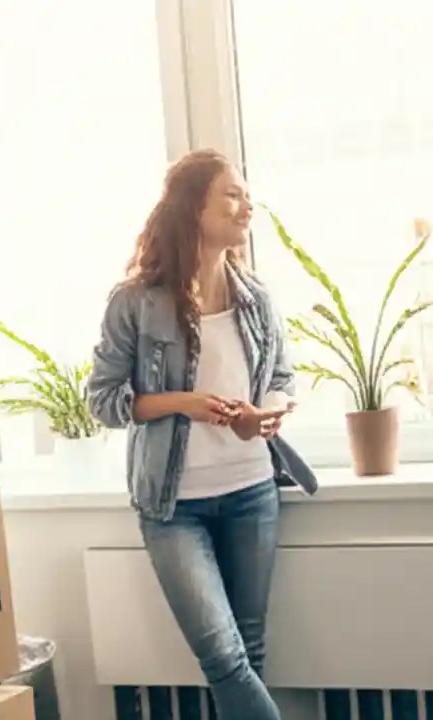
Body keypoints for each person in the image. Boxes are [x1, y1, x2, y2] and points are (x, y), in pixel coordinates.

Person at [86, 149, 317, 720]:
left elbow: (284, 379)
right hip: (173, 507)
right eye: (232, 195)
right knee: (223, 656)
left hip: (252, 492)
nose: (247, 206)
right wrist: (188, 405)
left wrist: (266, 412)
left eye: (246, 194)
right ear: (194, 209)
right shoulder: (136, 302)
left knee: (250, 652)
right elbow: (103, 401)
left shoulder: (256, 298)